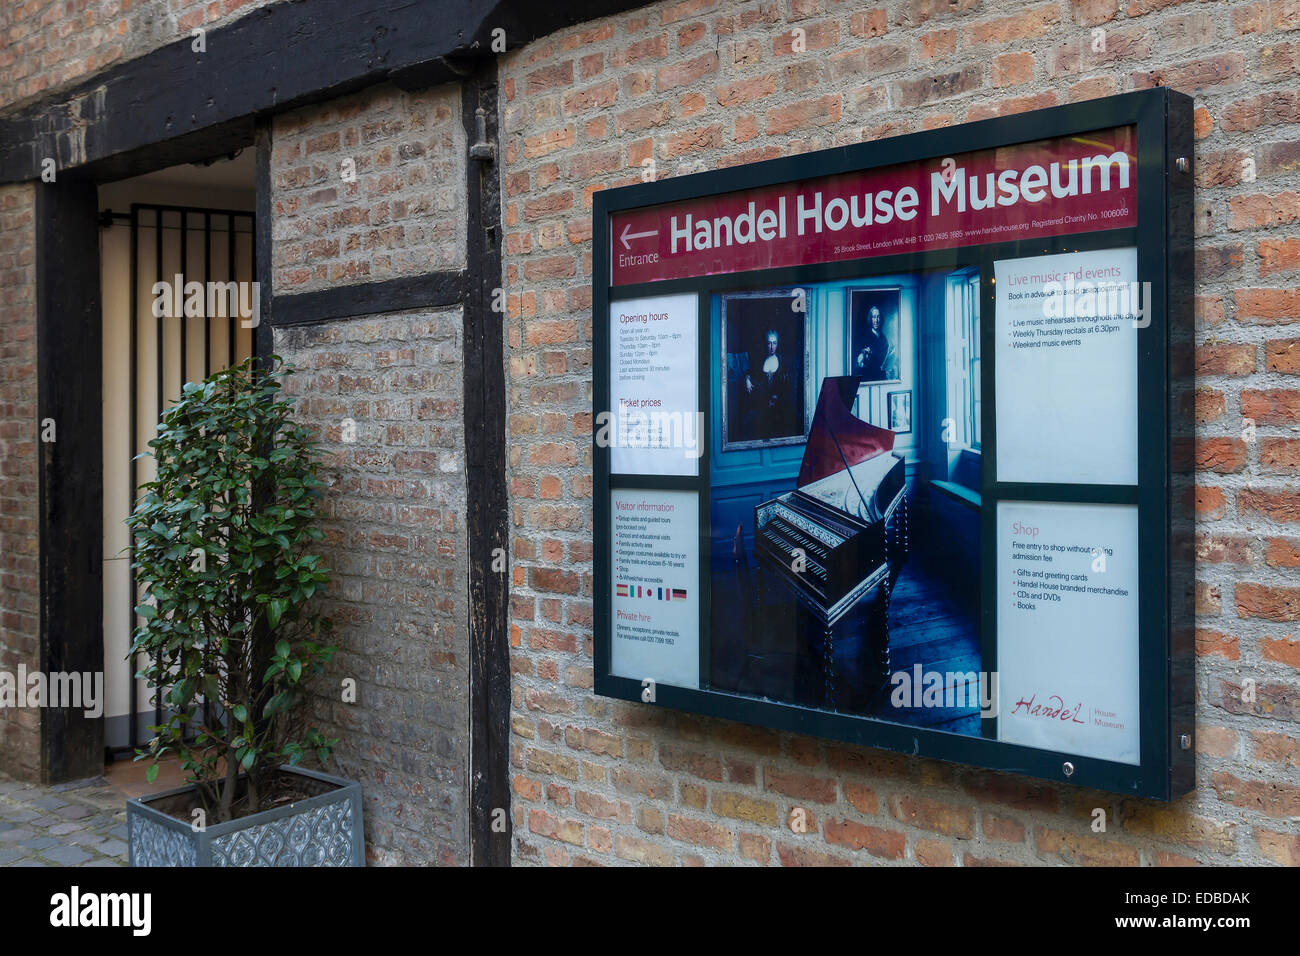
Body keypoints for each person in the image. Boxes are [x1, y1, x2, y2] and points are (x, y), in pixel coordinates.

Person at [744, 329, 796, 438]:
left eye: (774, 343)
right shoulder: (760, 361)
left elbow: (786, 387)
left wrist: (775, 398)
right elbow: (750, 372)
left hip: (779, 405)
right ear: (765, 344)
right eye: (769, 343)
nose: (772, 346)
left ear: (777, 344)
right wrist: (747, 380)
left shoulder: (782, 362)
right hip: (762, 403)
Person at [855, 305, 897, 380]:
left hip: (880, 376)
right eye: (874, 317)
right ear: (870, 319)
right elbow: (860, 362)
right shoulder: (864, 337)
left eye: (878, 317)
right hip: (867, 376)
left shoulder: (884, 339)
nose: (876, 320)